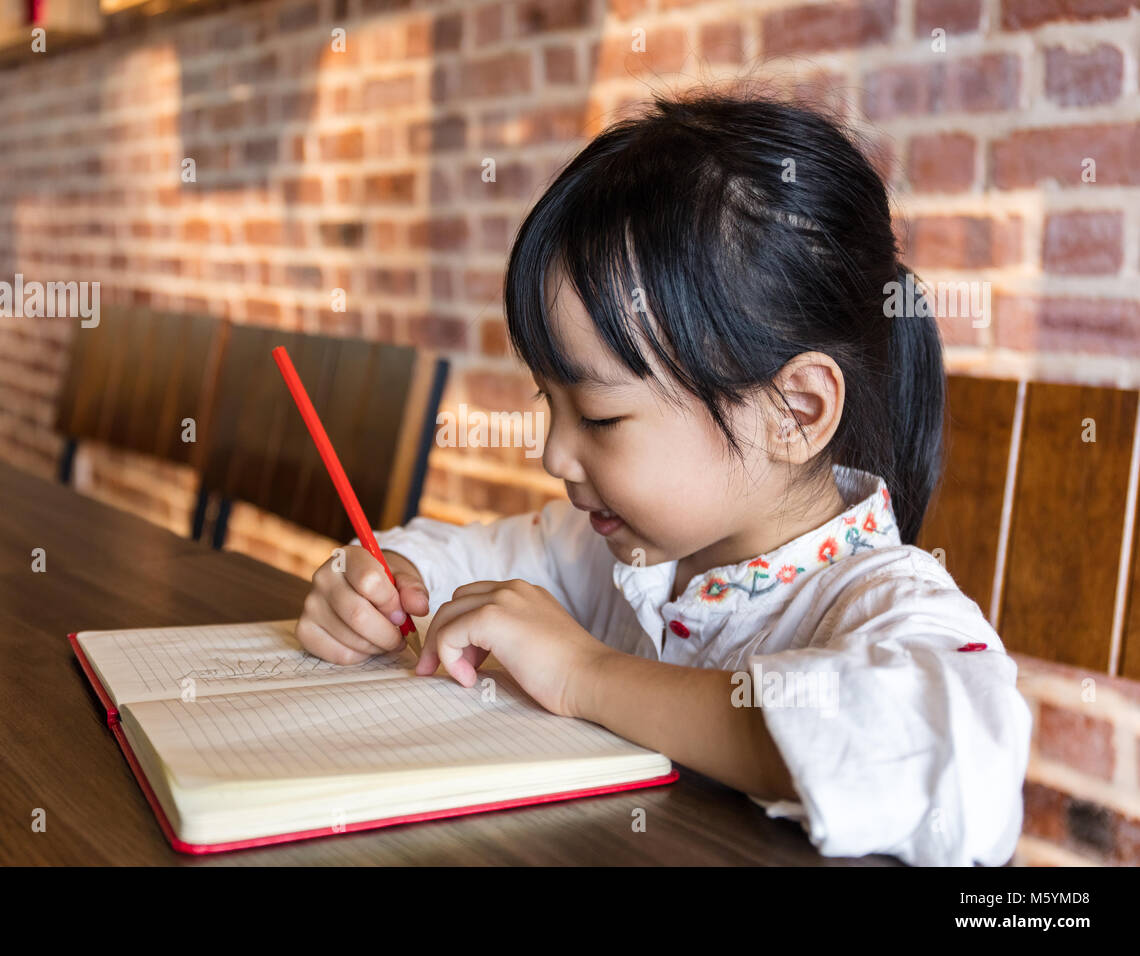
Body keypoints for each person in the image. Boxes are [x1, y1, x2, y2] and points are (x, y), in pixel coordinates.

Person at [296, 89, 1032, 867]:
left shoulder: (880, 599)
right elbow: (466, 566)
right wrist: (386, 586)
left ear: (794, 410)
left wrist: (585, 673)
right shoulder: (612, 554)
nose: (554, 456)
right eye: (551, 404)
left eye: (601, 418)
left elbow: (950, 767)